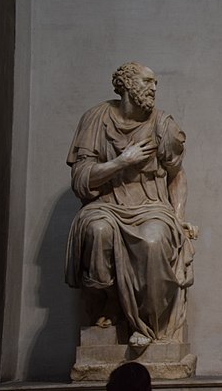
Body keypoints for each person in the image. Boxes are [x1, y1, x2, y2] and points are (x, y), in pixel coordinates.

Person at [65, 62, 198, 348]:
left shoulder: (163, 125)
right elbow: (80, 180)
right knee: (97, 231)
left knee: (154, 240)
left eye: (155, 83)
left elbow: (177, 176)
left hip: (151, 205)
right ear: (126, 85)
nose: (153, 88)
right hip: (105, 204)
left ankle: (148, 322)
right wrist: (121, 162)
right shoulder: (96, 119)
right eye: (147, 81)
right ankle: (107, 310)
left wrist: (177, 217)